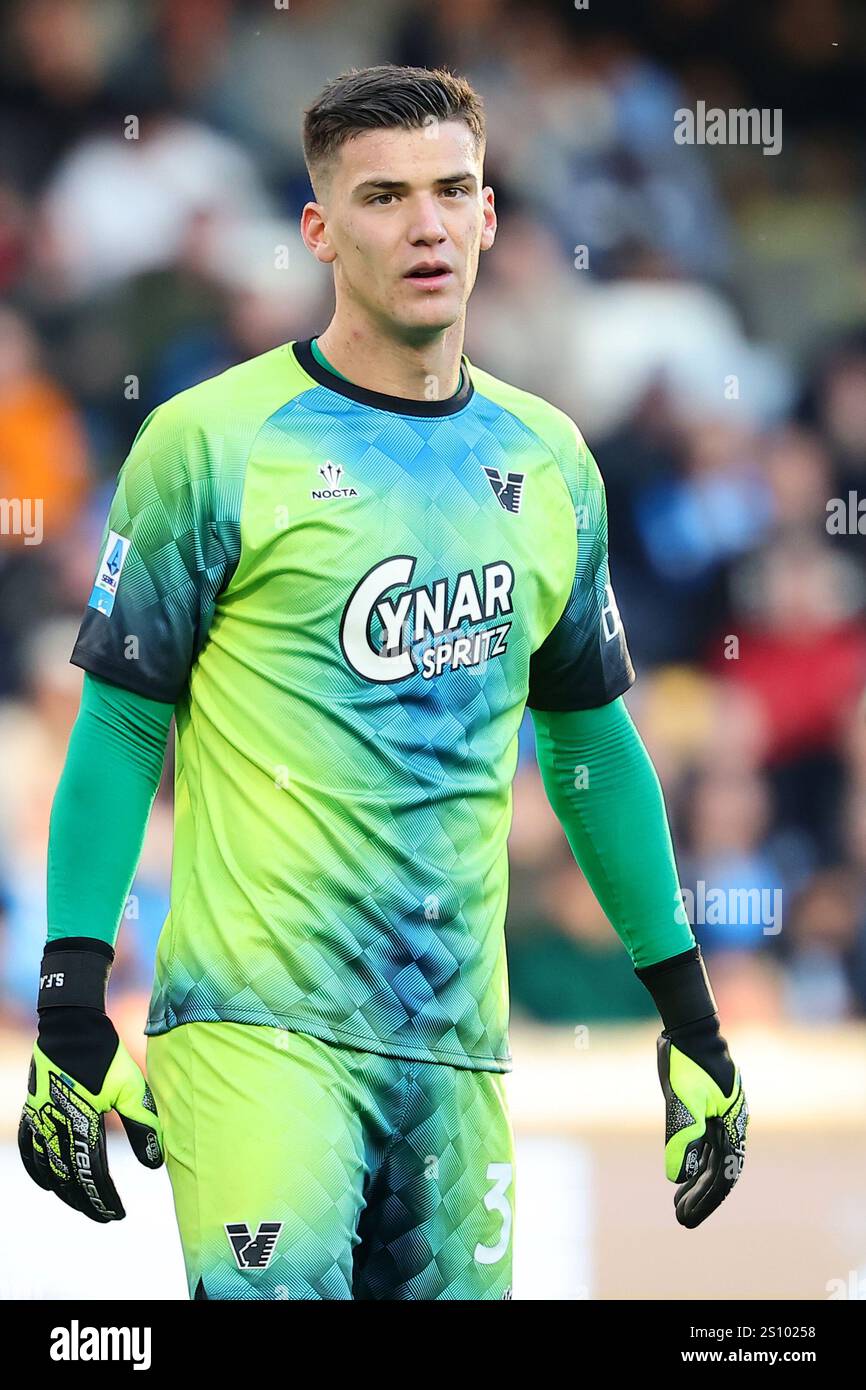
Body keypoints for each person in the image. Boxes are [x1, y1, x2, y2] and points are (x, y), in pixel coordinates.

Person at [19, 64, 748, 1301]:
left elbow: (587, 747)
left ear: (489, 215)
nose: (424, 224)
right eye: (383, 196)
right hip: (255, 1033)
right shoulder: (208, 442)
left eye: (452, 190)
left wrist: (692, 1021)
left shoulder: (550, 461)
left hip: (457, 1058)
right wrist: (70, 998)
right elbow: (121, 728)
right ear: (318, 229)